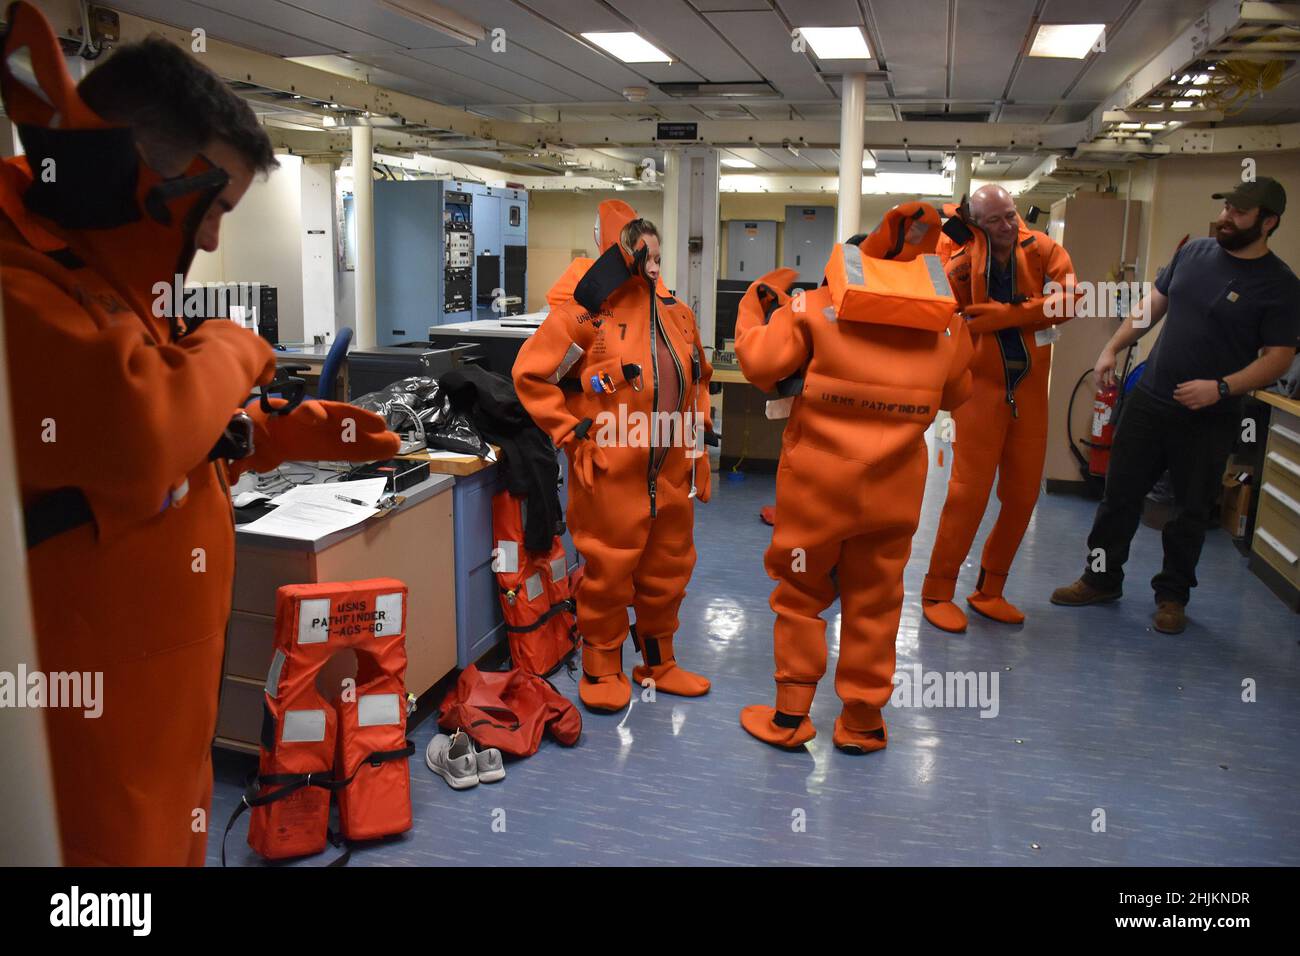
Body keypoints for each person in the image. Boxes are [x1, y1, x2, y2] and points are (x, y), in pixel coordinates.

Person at [0, 2, 397, 865]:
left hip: (165, 710)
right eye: (211, 207)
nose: (214, 236)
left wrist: (271, 435)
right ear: (130, 174)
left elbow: (163, 445)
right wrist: (237, 344)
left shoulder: (111, 290)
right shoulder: (18, 284)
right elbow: (137, 431)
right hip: (76, 729)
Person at [735, 202, 974, 751]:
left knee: (800, 593)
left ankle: (792, 719)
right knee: (878, 598)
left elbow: (760, 365)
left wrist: (755, 310)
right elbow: (957, 394)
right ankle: (863, 721)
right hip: (893, 494)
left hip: (818, 488)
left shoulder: (815, 308)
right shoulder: (944, 324)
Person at [1052, 177, 1300, 633]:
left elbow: (1279, 358)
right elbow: (1152, 307)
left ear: (1269, 223)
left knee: (1189, 511)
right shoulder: (1195, 253)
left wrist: (1222, 388)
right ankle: (1099, 578)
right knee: (1117, 498)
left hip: (1210, 415)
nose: (1226, 217)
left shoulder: (1280, 286)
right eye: (1226, 207)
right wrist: (1113, 345)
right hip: (1150, 401)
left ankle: (1172, 597)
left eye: (1239, 213)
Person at [513, 201, 714, 713]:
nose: (652, 265)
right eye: (641, 254)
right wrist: (570, 433)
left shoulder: (678, 314)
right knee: (608, 572)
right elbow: (531, 376)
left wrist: (699, 450)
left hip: (670, 472)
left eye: (656, 256)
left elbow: (699, 380)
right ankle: (602, 665)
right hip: (609, 472)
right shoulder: (586, 316)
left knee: (669, 570)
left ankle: (658, 662)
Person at [920, 185, 1078, 633]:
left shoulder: (1046, 251)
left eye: (1011, 215)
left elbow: (1069, 301)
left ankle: (991, 589)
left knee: (1023, 496)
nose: (1008, 226)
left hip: (1029, 393)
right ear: (976, 223)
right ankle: (937, 591)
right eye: (995, 220)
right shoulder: (961, 263)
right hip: (980, 393)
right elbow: (937, 314)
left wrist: (1010, 315)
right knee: (966, 494)